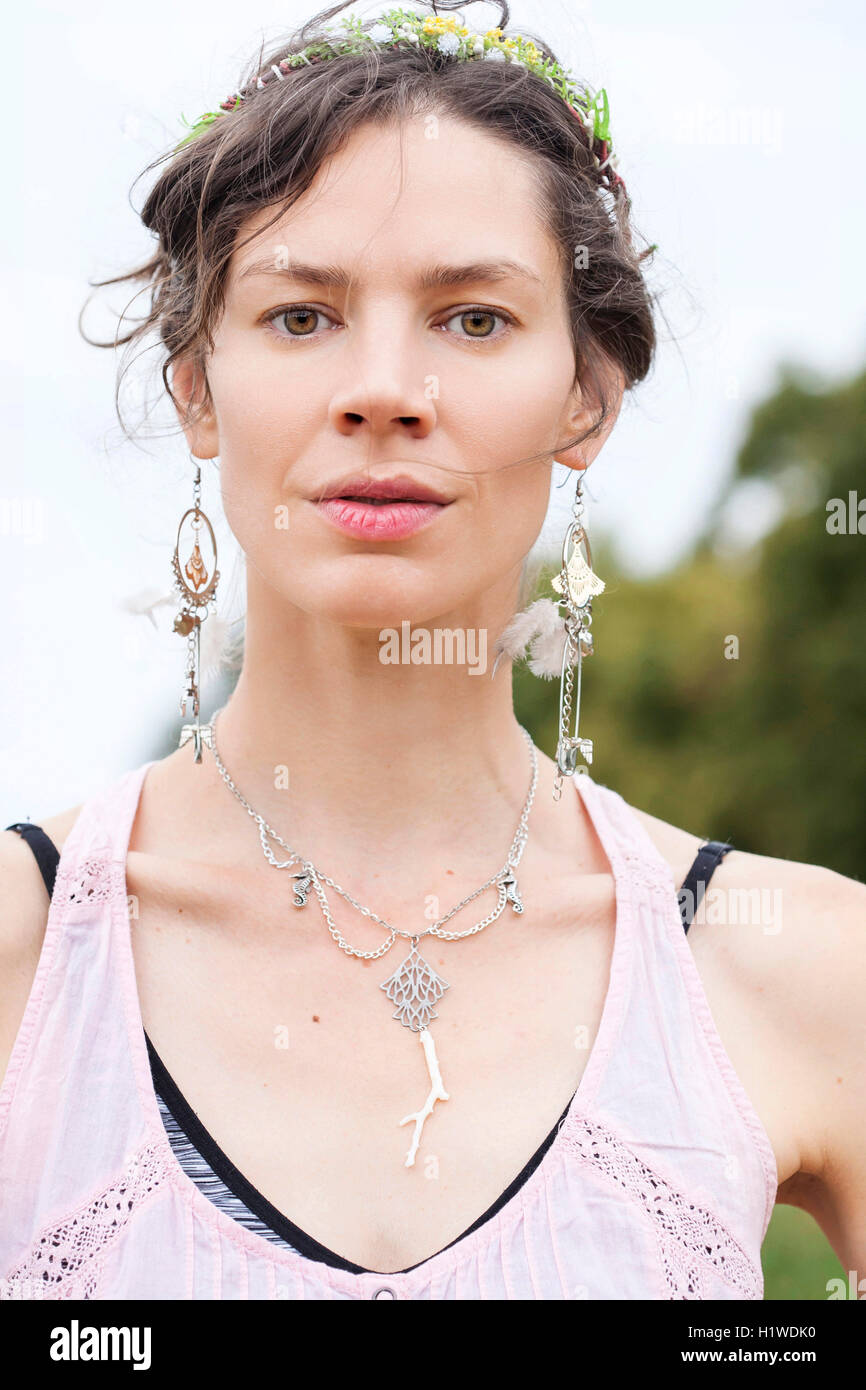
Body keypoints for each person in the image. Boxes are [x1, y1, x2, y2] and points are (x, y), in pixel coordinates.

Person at [1, 1, 864, 1302]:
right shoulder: (21, 955)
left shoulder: (802, 966)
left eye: (472, 318)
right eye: (301, 316)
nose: (384, 388)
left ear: (586, 396)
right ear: (196, 386)